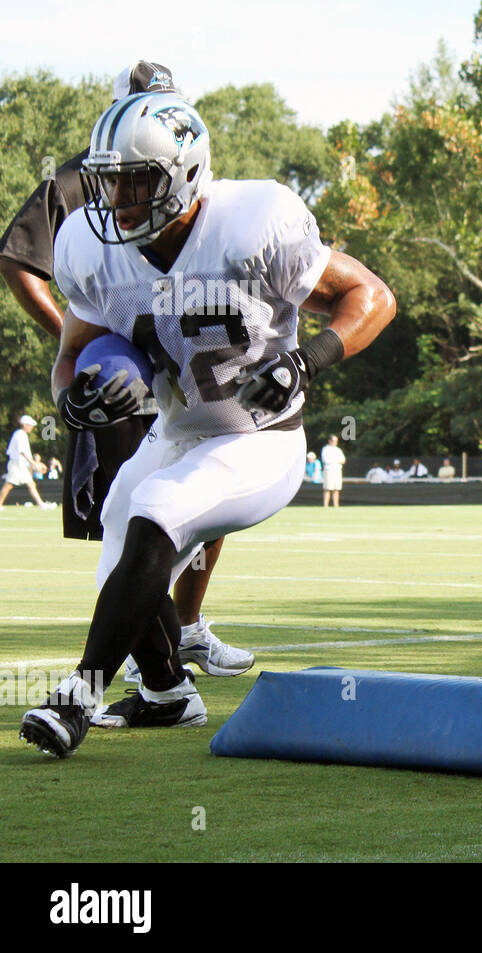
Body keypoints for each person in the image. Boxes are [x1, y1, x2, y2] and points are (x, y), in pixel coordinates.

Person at [19, 90, 395, 757]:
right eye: (110, 182)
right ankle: (168, 693)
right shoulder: (93, 246)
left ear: (185, 175)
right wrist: (69, 398)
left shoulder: (254, 222)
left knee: (157, 506)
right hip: (178, 429)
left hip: (260, 438)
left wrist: (309, 359)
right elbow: (72, 353)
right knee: (119, 520)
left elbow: (373, 296)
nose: (118, 199)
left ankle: (78, 694)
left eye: (136, 181)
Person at [0, 61, 246, 680]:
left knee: (201, 502)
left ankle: (185, 631)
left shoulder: (200, 182)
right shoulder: (80, 177)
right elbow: (16, 258)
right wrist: (80, 344)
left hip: (189, 371)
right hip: (121, 375)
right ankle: (151, 667)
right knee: (134, 516)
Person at [0, 415, 56, 508]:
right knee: (9, 484)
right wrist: (34, 464)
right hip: (16, 463)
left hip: (21, 464)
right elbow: (22, 452)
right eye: (30, 425)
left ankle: (41, 504)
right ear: (24, 425)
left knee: (31, 484)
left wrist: (34, 464)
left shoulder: (22, 435)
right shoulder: (19, 434)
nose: (31, 427)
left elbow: (25, 453)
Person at [321, 435, 345, 505]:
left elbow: (343, 460)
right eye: (334, 441)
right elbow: (326, 460)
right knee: (328, 488)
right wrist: (336, 460)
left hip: (337, 470)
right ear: (330, 441)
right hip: (329, 470)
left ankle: (336, 505)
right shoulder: (325, 449)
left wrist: (334, 460)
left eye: (336, 441)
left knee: (336, 489)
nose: (335, 442)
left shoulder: (338, 450)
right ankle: (325, 505)